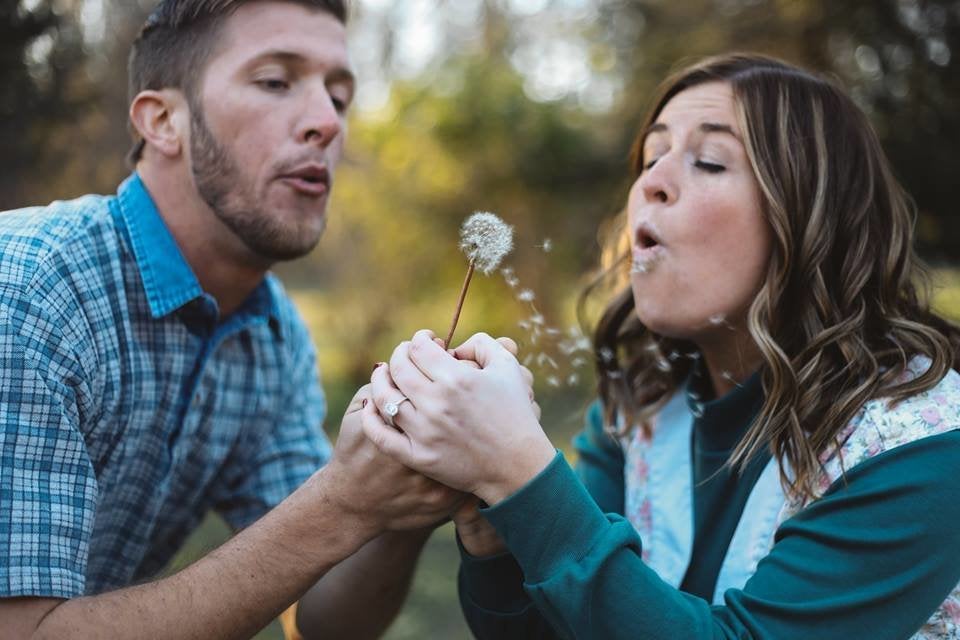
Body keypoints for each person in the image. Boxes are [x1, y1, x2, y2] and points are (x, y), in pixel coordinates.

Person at [362, 53, 960, 639]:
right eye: (651, 157)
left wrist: (521, 474)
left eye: (707, 161)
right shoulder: (636, 414)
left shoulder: (925, 450)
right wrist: (491, 520)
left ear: (813, 216)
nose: (652, 181)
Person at [0, 1, 475, 638]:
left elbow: (321, 620)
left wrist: (400, 507)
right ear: (164, 120)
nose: (326, 124)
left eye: (338, 96)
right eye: (276, 82)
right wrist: (340, 503)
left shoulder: (274, 339)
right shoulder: (29, 292)